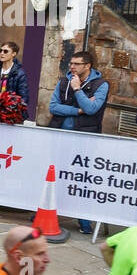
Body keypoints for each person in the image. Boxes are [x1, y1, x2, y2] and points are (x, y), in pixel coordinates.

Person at [49, 50, 110, 233]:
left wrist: (77, 90)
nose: (72, 67)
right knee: (54, 176)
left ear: (87, 66)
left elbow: (92, 108)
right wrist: (77, 111)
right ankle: (45, 212)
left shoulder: (101, 84)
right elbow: (53, 106)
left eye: (76, 64)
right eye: (71, 63)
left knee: (81, 179)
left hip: (84, 138)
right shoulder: (63, 81)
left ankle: (84, 221)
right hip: (60, 134)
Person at [0, 39, 29, 121]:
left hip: (10, 115)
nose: (2, 53)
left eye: (5, 51)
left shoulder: (20, 74)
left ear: (14, 54)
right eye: (0, 50)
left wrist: (10, 109)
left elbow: (24, 97)